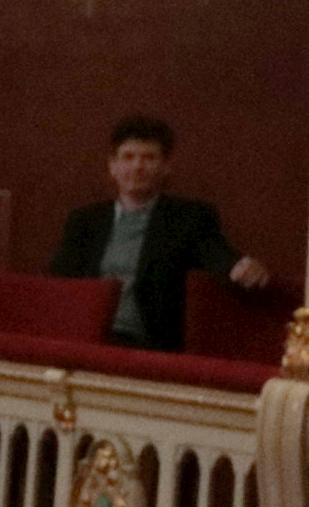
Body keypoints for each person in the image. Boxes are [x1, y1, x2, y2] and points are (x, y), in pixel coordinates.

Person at [48, 113, 273, 352]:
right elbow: (59, 279)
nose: (138, 167)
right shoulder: (85, 220)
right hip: (88, 339)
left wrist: (241, 266)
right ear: (112, 166)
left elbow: (217, 254)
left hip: (151, 346)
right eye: (128, 157)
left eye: (149, 158)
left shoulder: (189, 218)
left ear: (166, 167)